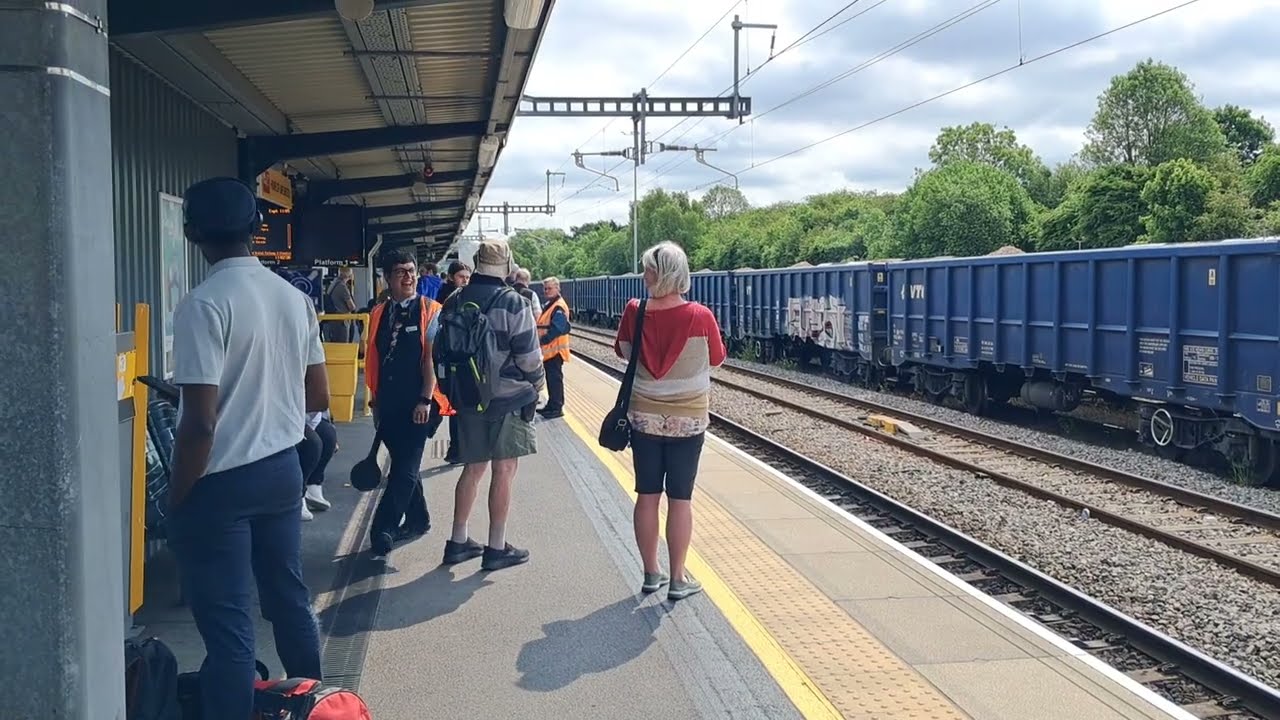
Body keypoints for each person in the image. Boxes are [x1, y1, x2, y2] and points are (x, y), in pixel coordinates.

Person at [167, 177, 329, 718]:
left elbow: (200, 425)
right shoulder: (294, 298)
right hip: (282, 472)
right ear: (258, 229)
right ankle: (317, 703)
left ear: (191, 233)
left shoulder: (202, 305)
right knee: (288, 598)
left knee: (231, 625)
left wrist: (177, 495)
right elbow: (319, 393)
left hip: (220, 483)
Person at [614, 241, 726, 601]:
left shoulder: (635, 311)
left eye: (648, 268)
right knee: (681, 499)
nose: (644, 274)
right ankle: (678, 578)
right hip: (689, 421)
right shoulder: (701, 315)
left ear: (659, 274)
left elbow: (623, 351)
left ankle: (651, 573)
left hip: (644, 418)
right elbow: (717, 359)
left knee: (647, 495)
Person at [439, 239, 543, 570]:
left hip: (468, 398)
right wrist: (538, 385)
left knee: (473, 468)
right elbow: (529, 358)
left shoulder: (455, 299)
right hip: (508, 399)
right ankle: (496, 547)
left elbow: (439, 347)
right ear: (507, 264)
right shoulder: (513, 302)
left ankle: (457, 541)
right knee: (504, 469)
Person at [363, 249, 453, 558]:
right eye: (400, 271)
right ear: (387, 278)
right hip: (388, 403)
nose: (409, 276)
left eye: (411, 270)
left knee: (405, 468)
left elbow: (429, 357)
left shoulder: (431, 310)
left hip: (421, 403)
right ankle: (418, 519)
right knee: (403, 463)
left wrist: (425, 399)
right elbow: (375, 355)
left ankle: (382, 529)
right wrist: (374, 399)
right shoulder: (378, 312)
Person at [536, 276, 571, 419]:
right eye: (545, 288)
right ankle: (551, 405)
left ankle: (556, 407)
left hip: (555, 350)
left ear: (557, 288)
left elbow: (558, 327)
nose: (547, 291)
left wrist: (543, 340)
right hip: (550, 351)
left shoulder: (558, 306)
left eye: (550, 288)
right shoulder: (551, 304)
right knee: (551, 379)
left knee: (555, 379)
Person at [296, 412, 337, 521]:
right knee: (312, 444)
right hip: (290, 417)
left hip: (308, 418)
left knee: (328, 435)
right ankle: (297, 495)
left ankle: (313, 482)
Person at [325, 267, 357, 342]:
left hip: (333, 321)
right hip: (342, 322)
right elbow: (351, 307)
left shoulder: (333, 284)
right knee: (343, 345)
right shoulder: (342, 287)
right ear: (349, 275)